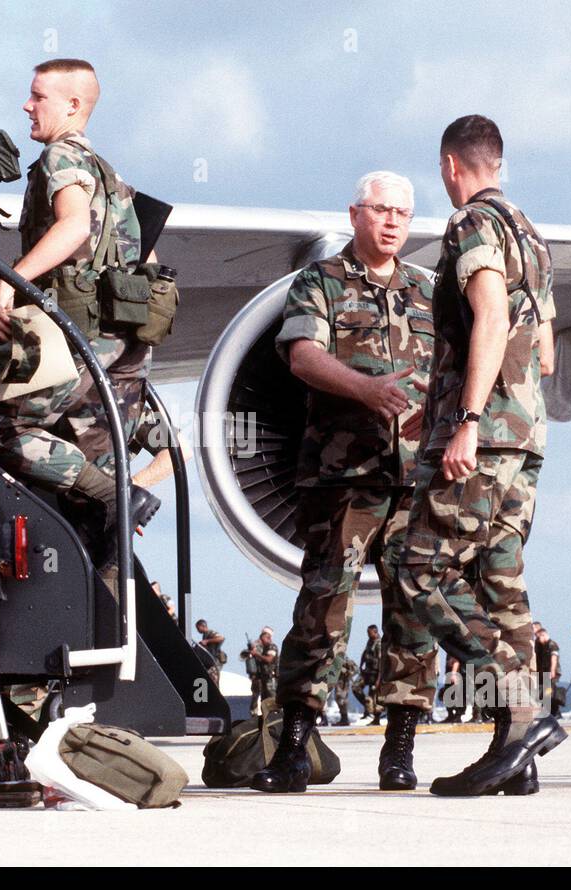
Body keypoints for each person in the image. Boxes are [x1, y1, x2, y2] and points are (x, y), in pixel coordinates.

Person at [250, 170, 437, 794]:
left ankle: (400, 748)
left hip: (413, 481)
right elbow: (302, 354)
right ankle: (295, 747)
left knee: (412, 610)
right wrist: (365, 390)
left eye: (402, 214)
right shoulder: (320, 283)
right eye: (380, 210)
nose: (390, 223)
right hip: (344, 478)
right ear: (355, 213)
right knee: (323, 607)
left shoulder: (429, 293)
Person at [393, 116, 565, 797]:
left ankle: (520, 706)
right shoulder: (534, 236)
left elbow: (489, 316)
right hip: (525, 436)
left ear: (450, 166)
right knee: (499, 583)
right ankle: (512, 756)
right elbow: (545, 355)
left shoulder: (471, 224)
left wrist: (466, 419)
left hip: (483, 433)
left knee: (418, 570)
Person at [0, 58, 159, 548]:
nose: (26, 106)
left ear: (73, 105)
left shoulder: (61, 159)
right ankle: (111, 556)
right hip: (120, 341)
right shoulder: (111, 176)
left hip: (77, 331)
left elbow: (72, 228)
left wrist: (11, 281)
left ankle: (116, 495)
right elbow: (147, 255)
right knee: (98, 504)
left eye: (38, 97)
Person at [242, 628, 278, 716]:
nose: (260, 640)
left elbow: (269, 659)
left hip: (271, 678)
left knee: (271, 700)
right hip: (263, 678)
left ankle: (275, 716)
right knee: (264, 701)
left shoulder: (271, 647)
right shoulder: (262, 649)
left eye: (263, 638)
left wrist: (256, 654)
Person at [353, 624, 384, 725]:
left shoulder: (379, 644)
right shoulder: (370, 641)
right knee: (355, 687)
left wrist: (378, 679)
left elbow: (381, 662)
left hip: (376, 673)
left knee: (375, 695)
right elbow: (364, 653)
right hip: (367, 672)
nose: (368, 635)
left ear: (375, 632)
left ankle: (376, 718)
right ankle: (368, 707)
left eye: (370, 633)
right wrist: (361, 665)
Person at [533, 623, 561, 719]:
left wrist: (552, 671)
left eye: (538, 637)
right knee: (545, 692)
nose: (537, 639)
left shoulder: (552, 645)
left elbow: (554, 658)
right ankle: (549, 711)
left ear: (543, 635)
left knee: (550, 692)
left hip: (552, 672)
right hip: (544, 672)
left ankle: (555, 712)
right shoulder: (542, 645)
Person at [194, 618, 226, 687]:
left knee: (213, 681)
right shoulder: (205, 635)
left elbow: (221, 638)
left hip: (215, 661)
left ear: (202, 626)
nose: (197, 630)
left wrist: (207, 641)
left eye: (198, 627)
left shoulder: (210, 633)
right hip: (210, 661)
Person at [332, 656, 358, 726]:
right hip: (339, 681)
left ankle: (344, 719)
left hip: (343, 682)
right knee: (339, 699)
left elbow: (355, 669)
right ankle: (343, 718)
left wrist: (348, 673)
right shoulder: (338, 658)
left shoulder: (345, 659)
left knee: (342, 699)